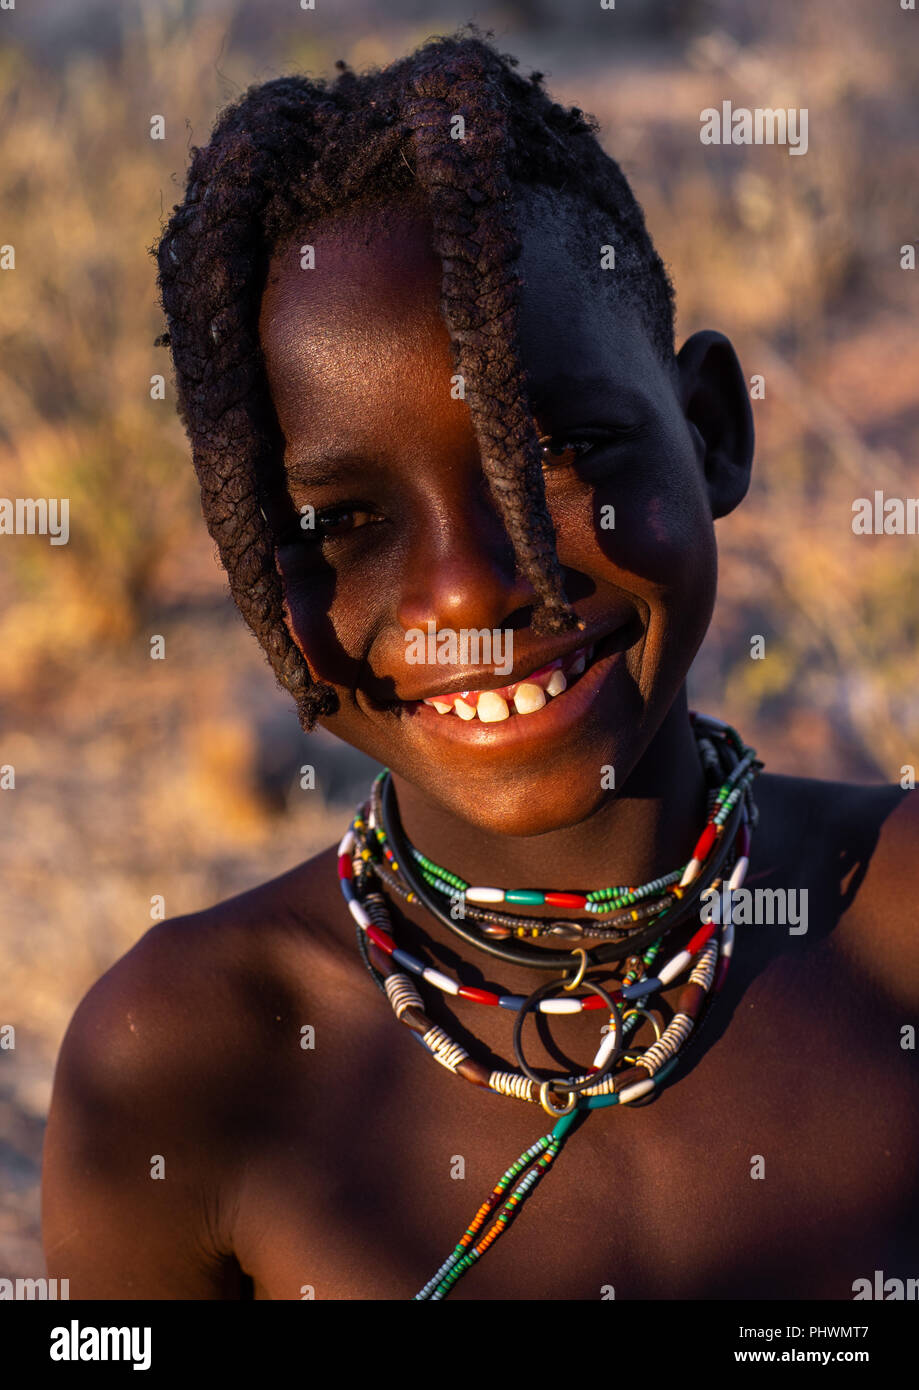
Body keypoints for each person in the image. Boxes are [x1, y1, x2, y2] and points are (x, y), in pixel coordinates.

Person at [42, 31, 919, 1301]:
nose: (467, 592)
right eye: (342, 522)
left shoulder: (894, 921)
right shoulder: (186, 1058)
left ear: (712, 432)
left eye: (556, 452)